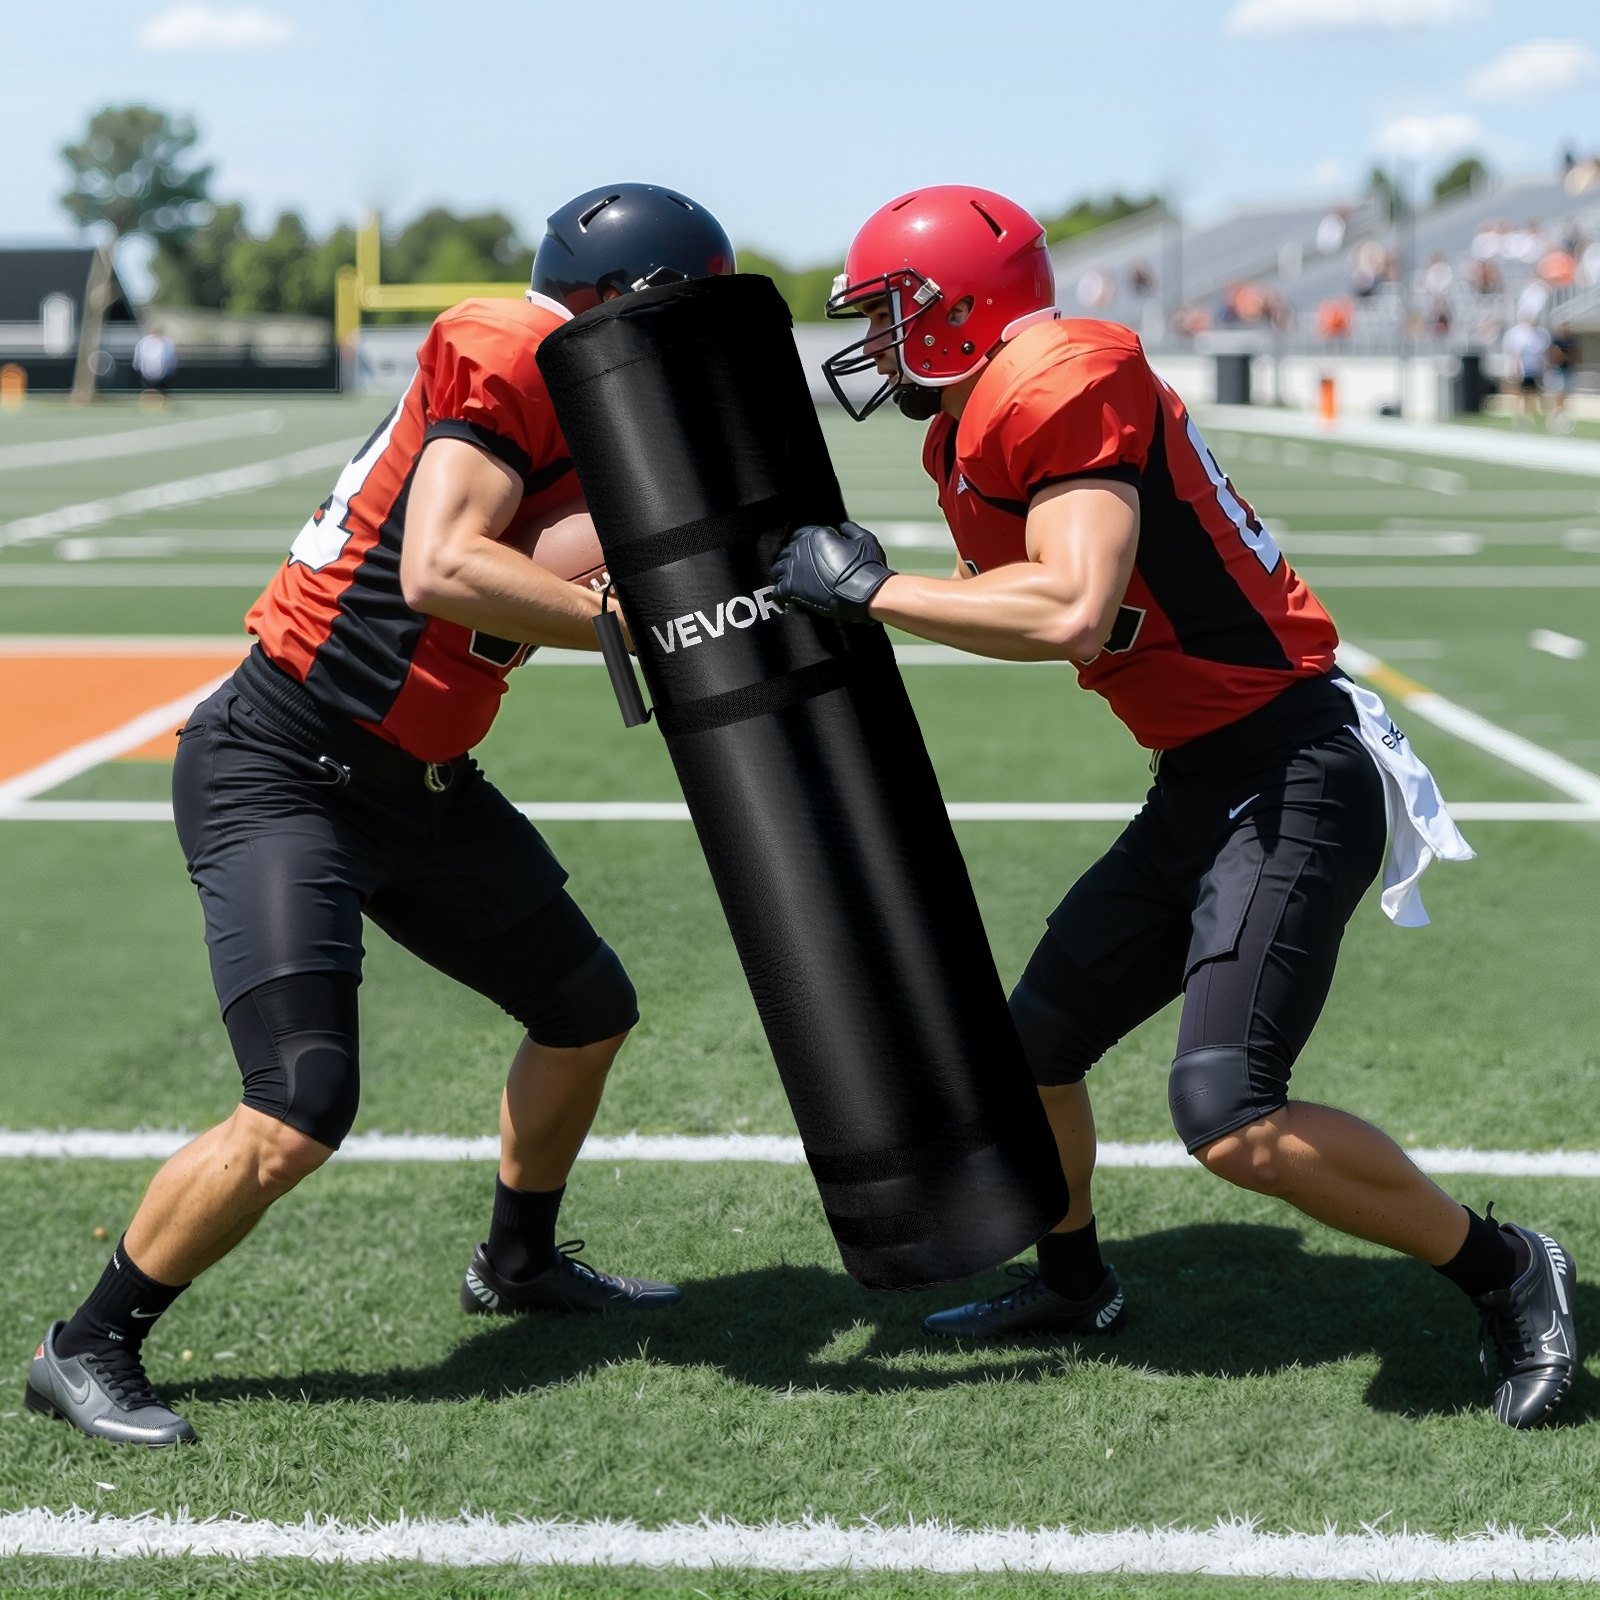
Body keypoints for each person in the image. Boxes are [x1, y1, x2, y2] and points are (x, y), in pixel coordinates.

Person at [777, 185, 1577, 1429]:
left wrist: (875, 588)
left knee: (1229, 1110)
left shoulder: (1059, 377)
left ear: (957, 310)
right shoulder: (985, 416)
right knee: (1027, 1051)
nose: (874, 346)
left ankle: (1510, 1267)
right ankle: (1073, 1281)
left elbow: (1066, 610)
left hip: (1290, 768)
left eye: (890, 315)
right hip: (1205, 778)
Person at [25, 184, 737, 1448]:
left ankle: (517, 1261)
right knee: (300, 1099)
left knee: (586, 1012)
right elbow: (441, 565)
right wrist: (624, 616)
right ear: (615, 303)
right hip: (283, 763)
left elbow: (550, 557)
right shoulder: (509, 350)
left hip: (417, 783)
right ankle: (87, 1344)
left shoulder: (573, 394)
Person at [1502, 313, 1551, 429]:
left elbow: (1543, 355)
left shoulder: (1541, 334)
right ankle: (1519, 417)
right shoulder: (1518, 333)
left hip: (1534, 370)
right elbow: (1515, 354)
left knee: (1532, 395)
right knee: (1520, 394)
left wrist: (1544, 370)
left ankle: (1528, 416)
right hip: (1523, 369)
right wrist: (1515, 368)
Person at [1544, 321, 1579, 433]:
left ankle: (1562, 420)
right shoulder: (1555, 341)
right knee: (1557, 396)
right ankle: (1553, 419)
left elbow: (1574, 356)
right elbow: (1554, 357)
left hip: (1567, 371)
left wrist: (1566, 356)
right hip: (1557, 371)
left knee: (1565, 397)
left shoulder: (1571, 341)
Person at [131, 323, 177, 407]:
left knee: (164, 391)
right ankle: (148, 404)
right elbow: (138, 357)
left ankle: (164, 406)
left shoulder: (167, 342)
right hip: (147, 373)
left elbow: (170, 358)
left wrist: (169, 370)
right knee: (149, 390)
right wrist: (138, 367)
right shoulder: (144, 342)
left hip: (163, 373)